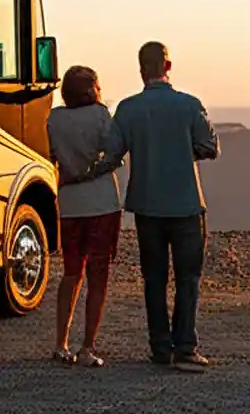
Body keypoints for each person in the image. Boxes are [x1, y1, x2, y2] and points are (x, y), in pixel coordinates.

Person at [63, 41, 220, 372]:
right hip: (187, 205)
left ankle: (160, 347)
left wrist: (77, 173)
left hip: (147, 207)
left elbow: (112, 154)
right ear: (168, 66)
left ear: (140, 69)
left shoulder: (128, 109)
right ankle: (186, 347)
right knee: (188, 278)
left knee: (154, 278)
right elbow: (209, 148)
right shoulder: (190, 105)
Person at [46, 65, 123, 368]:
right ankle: (88, 346)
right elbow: (113, 150)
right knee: (98, 276)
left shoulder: (55, 118)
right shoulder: (101, 115)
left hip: (70, 204)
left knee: (71, 273)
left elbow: (51, 153)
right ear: (92, 89)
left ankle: (60, 343)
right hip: (102, 201)